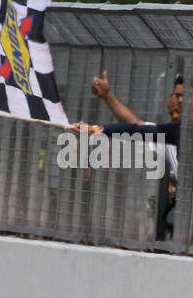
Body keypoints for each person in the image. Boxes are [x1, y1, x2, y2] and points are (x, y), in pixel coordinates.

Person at [75, 71, 183, 239]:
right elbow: (135, 127)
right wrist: (105, 100)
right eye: (175, 96)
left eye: (182, 97)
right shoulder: (173, 133)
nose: (176, 115)